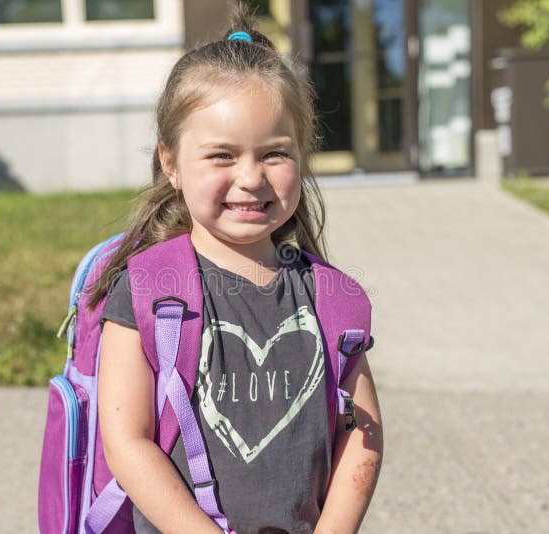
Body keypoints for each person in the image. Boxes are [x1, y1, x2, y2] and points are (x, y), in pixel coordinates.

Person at [92, 4, 382, 533]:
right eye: (222, 156)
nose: (250, 178)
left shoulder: (333, 299)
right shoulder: (147, 290)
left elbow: (362, 437)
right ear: (171, 163)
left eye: (274, 153)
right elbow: (126, 442)